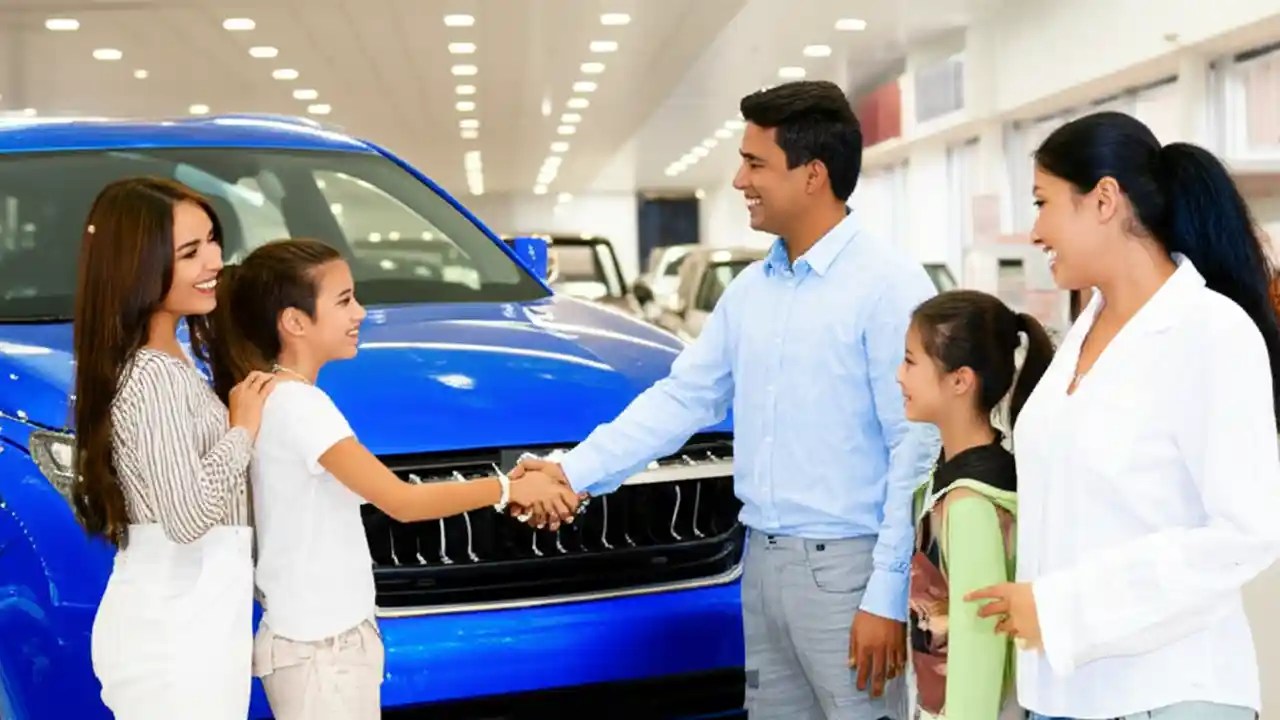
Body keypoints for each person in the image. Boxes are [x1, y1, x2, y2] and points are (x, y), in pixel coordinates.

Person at [513, 80, 939, 719]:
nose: (740, 179)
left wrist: (884, 590)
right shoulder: (752, 291)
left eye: (755, 163)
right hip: (760, 563)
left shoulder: (886, 286)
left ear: (813, 175)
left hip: (848, 572)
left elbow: (915, 444)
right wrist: (571, 470)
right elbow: (682, 399)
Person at [966, 111, 1280, 720]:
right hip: (1066, 690)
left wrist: (1063, 608)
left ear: (1104, 199)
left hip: (1168, 693)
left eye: (1043, 202)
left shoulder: (1210, 331)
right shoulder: (1086, 330)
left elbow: (1245, 533)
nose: (1035, 230)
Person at [201, 238, 579, 720]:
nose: (360, 312)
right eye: (343, 301)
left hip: (318, 643)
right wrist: (509, 488)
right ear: (295, 322)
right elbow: (400, 501)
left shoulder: (279, 398)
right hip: (322, 648)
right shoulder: (300, 407)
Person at [72, 177, 277, 719]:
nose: (214, 260)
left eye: (212, 240)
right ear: (137, 268)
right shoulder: (153, 377)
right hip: (176, 637)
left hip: (192, 623)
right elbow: (187, 519)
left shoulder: (173, 361)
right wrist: (243, 429)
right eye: (190, 252)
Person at [897, 290, 1053, 720]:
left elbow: (979, 642)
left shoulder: (969, 505)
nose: (899, 375)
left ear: (960, 380)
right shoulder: (956, 483)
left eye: (910, 362)